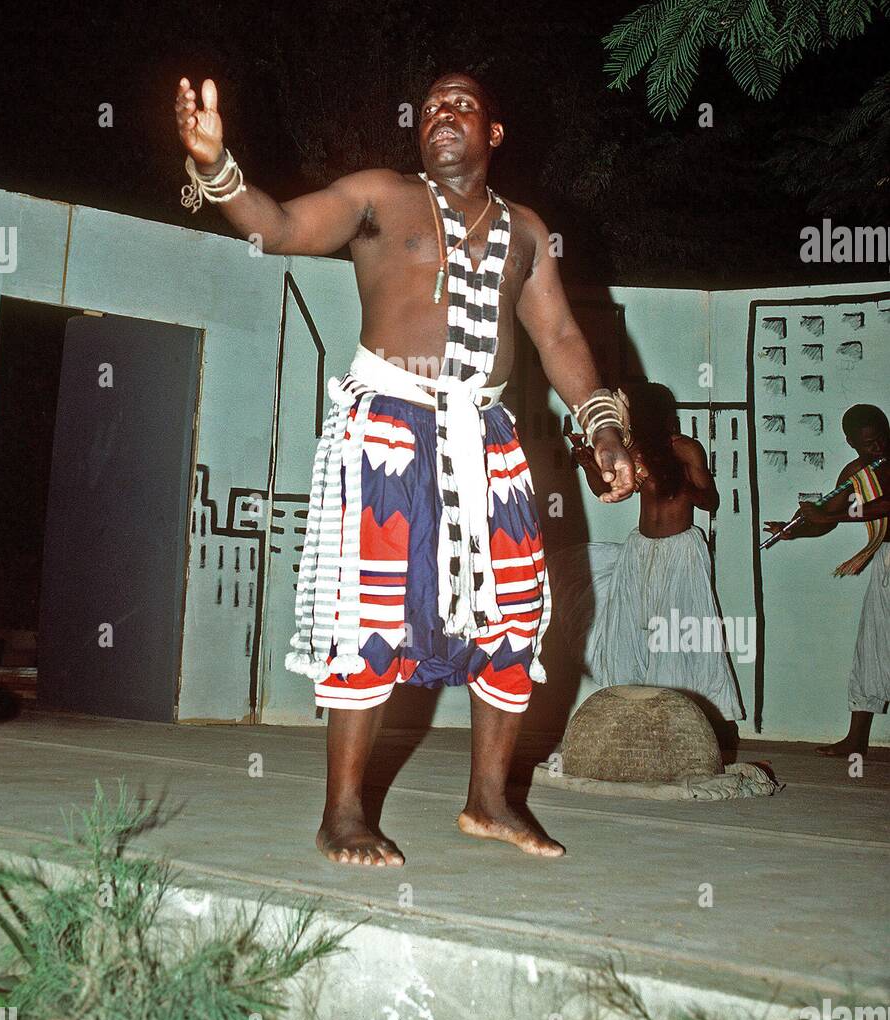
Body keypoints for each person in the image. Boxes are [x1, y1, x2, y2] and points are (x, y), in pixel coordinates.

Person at [175, 71, 635, 864]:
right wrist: (217, 165)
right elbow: (278, 227)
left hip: (486, 435)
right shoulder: (380, 196)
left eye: (460, 104)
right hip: (386, 426)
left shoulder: (526, 231)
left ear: (493, 133)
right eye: (428, 108)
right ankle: (343, 813)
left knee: (517, 613)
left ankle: (490, 801)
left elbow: (559, 336)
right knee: (371, 613)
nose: (441, 114)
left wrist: (604, 428)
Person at [570, 381, 743, 726]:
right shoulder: (633, 451)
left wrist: (678, 482)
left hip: (680, 551)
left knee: (680, 637)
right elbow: (605, 490)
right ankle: (637, 717)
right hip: (640, 551)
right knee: (632, 632)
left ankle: (697, 723)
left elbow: (711, 502)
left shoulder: (686, 449)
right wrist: (588, 464)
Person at [764, 404, 889, 757]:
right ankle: (856, 741)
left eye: (881, 438)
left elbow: (885, 506)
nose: (877, 448)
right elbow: (828, 520)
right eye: (868, 444)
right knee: (873, 647)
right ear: (852, 443)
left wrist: (837, 514)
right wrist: (797, 531)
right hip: (887, 563)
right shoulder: (856, 473)